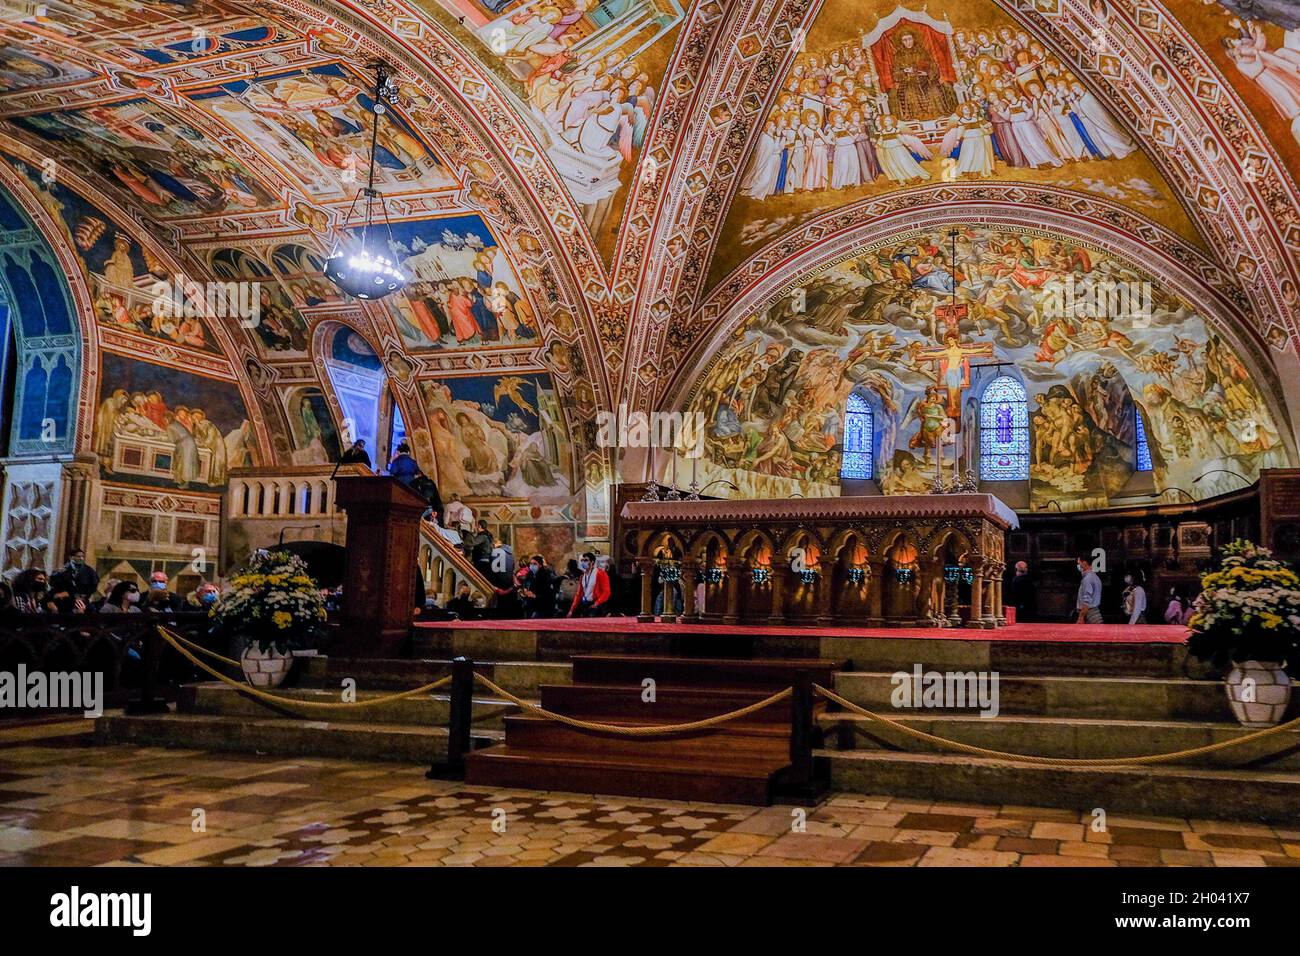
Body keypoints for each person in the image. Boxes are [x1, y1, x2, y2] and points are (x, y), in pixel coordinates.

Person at [569, 552, 611, 617]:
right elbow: (578, 594)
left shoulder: (600, 574)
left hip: (596, 606)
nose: (583, 562)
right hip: (585, 605)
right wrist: (572, 609)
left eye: (585, 560)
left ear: (592, 562)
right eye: (582, 560)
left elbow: (606, 592)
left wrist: (597, 603)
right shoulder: (583, 576)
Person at [519, 554, 557, 619]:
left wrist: (535, 595)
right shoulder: (529, 575)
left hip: (543, 607)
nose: (532, 566)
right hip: (530, 605)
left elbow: (547, 593)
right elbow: (526, 585)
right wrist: (524, 591)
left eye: (534, 564)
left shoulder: (545, 575)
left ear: (540, 565)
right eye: (531, 564)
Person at [1075, 555, 1103, 624]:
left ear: (1084, 563)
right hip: (1093, 614)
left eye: (1079, 563)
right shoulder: (1094, 577)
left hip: (1090, 615)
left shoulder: (1088, 579)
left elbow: (1087, 601)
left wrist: (1080, 617)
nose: (1078, 566)